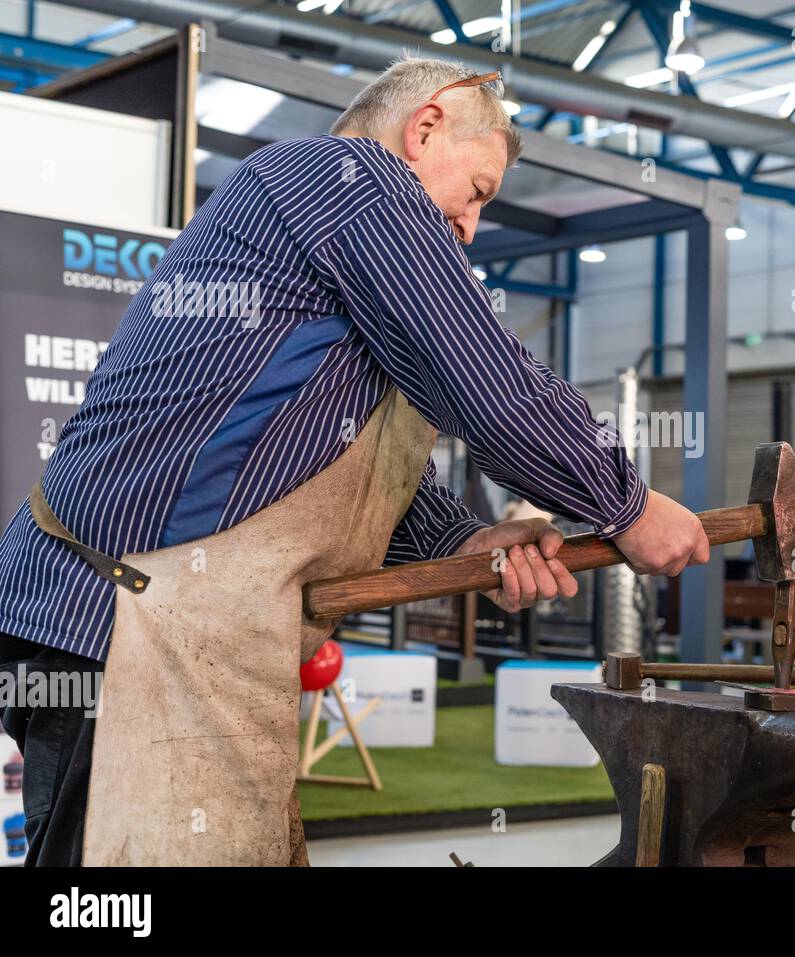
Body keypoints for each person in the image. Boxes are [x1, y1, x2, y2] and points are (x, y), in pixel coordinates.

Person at [0, 57, 709, 865]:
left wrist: (462, 545)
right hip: (111, 618)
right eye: (477, 191)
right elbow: (487, 380)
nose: (473, 226)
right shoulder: (345, 176)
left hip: (170, 632)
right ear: (426, 125)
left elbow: (345, 456)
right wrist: (630, 505)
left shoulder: (332, 265)